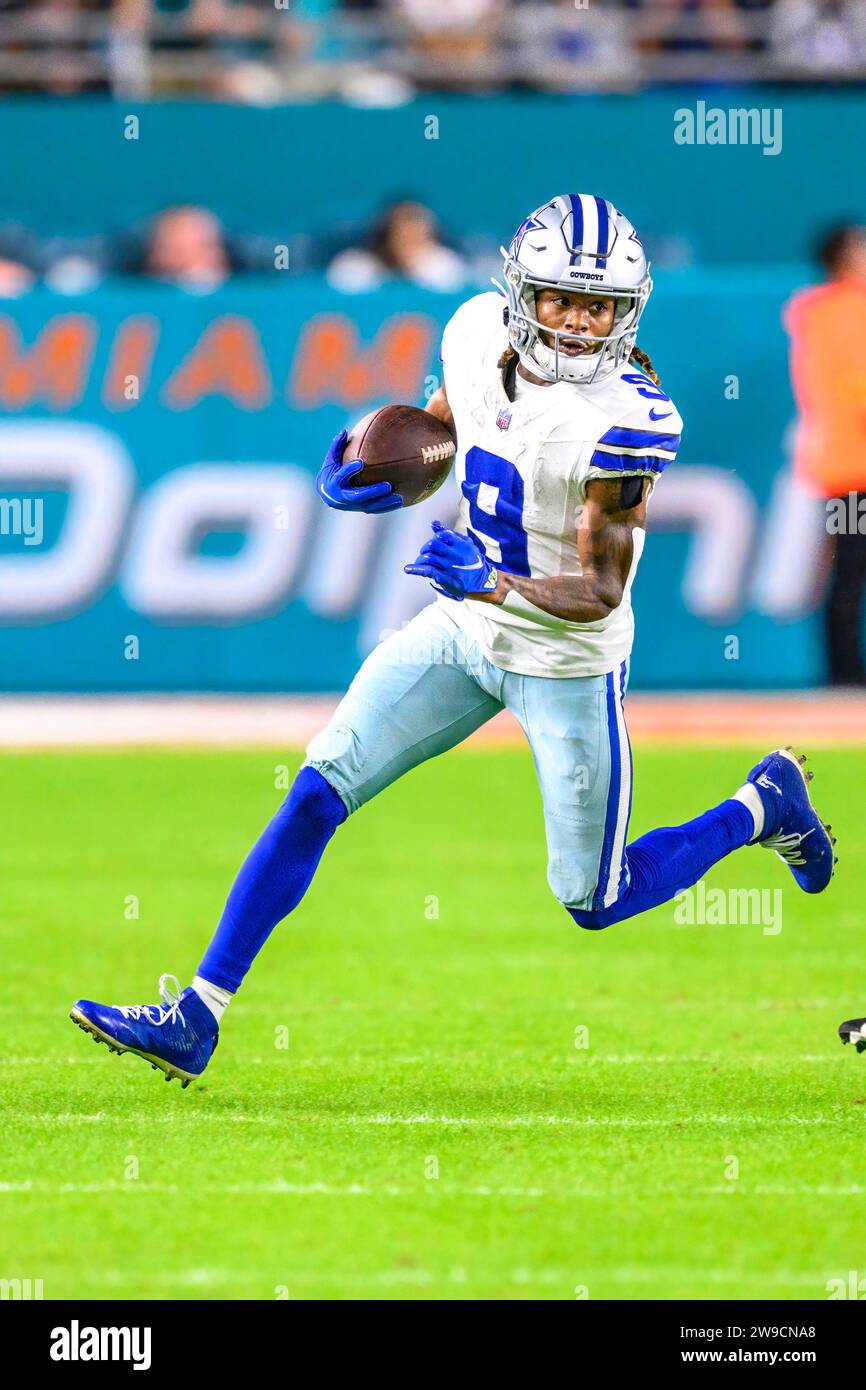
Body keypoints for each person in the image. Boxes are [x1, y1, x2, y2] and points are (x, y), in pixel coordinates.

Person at [70, 193, 837, 1086]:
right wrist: (370, 455)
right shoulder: (474, 332)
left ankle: (764, 804)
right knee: (318, 790)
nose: (583, 323)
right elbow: (444, 423)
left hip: (563, 659)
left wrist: (492, 579)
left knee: (596, 897)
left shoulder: (628, 419)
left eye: (601, 306)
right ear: (520, 294)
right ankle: (196, 1016)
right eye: (563, 299)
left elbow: (598, 589)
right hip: (466, 629)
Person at [784, 224, 866, 686]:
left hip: (839, 467)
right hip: (855, 468)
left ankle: (844, 677)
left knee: (847, 576)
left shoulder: (817, 312)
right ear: (842, 257)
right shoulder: (845, 311)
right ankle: (846, 678)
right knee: (850, 577)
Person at [326, 199, 468, 293]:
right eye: (402, 234)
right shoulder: (353, 264)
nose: (408, 242)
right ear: (386, 235)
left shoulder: (445, 265)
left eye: (417, 235)